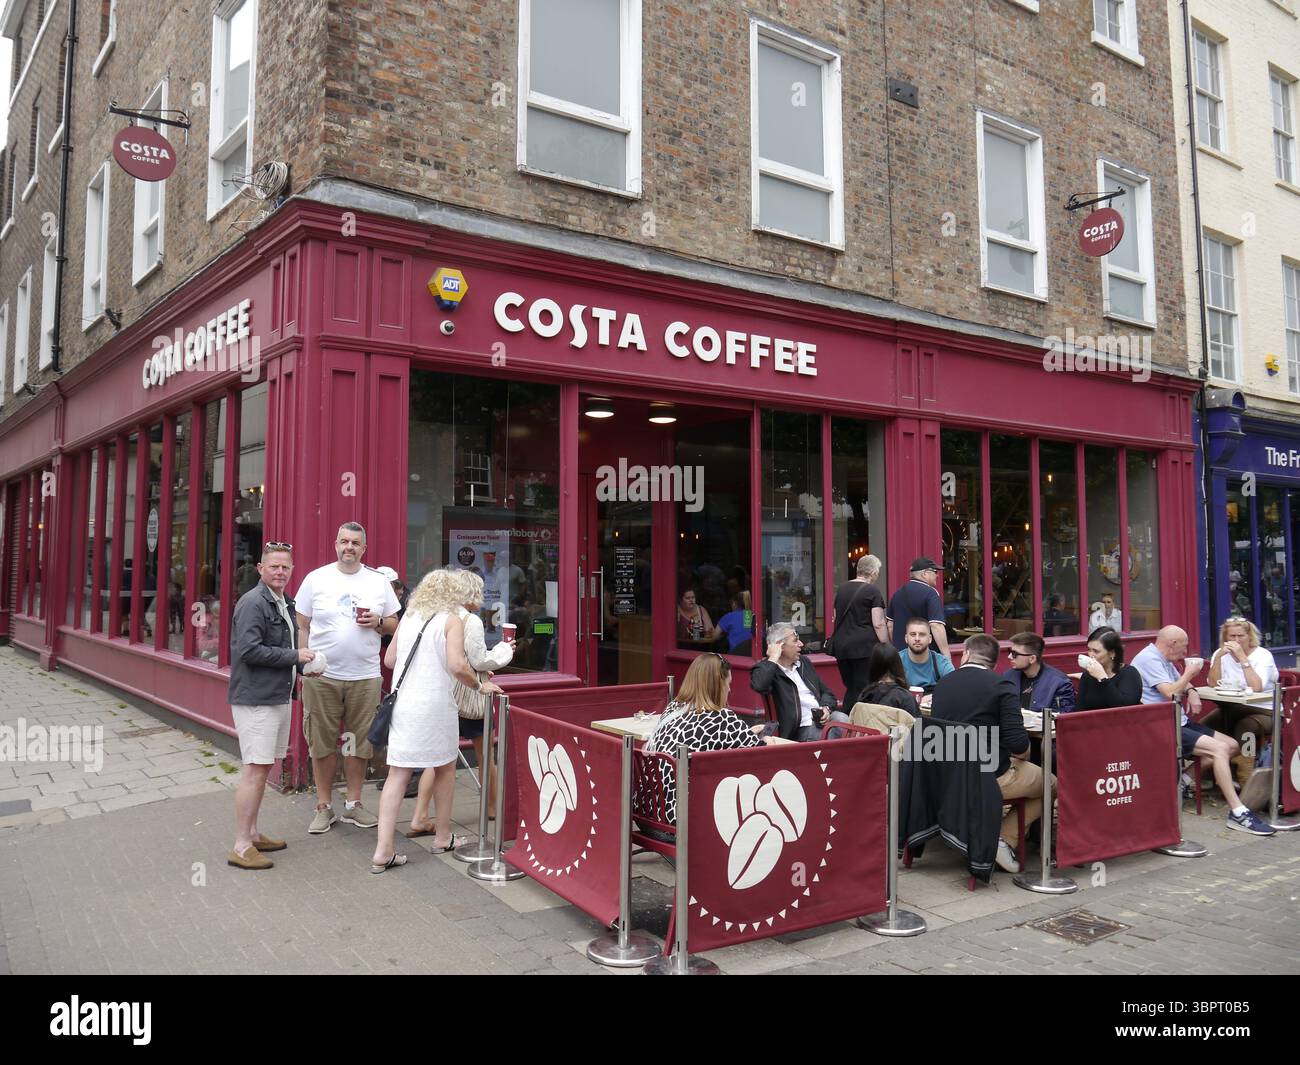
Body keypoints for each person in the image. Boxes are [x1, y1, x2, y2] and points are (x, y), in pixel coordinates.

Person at [371, 570, 504, 870]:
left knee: (398, 774)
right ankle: (443, 837)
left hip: (403, 705)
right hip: (435, 705)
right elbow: (458, 666)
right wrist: (480, 685)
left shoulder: (408, 618)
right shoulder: (451, 620)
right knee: (445, 769)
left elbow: (390, 661)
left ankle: (383, 850)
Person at [295, 522, 402, 834]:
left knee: (359, 743)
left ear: (364, 549)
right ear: (335, 544)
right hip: (322, 675)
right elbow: (303, 625)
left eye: (355, 543)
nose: (349, 547)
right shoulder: (316, 579)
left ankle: (354, 804)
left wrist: (379, 621)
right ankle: (323, 807)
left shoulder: (378, 581)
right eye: (344, 541)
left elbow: (395, 624)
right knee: (322, 743)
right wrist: (303, 665)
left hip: (365, 676)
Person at [1131, 626, 1274, 836]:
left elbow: (1179, 683)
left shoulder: (1164, 658)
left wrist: (1192, 690)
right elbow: (1170, 692)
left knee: (1233, 745)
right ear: (1172, 644)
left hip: (1181, 720)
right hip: (1162, 724)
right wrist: (1190, 672)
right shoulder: (1149, 659)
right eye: (1184, 645)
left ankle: (1181, 784)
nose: (1186, 651)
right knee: (1220, 750)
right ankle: (1238, 812)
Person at [226, 542, 316, 870]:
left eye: (286, 567)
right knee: (254, 770)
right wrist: (296, 657)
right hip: (256, 699)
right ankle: (240, 844)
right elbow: (248, 650)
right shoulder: (253, 602)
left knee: (263, 768)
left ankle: (252, 833)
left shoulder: (283, 602)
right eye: (274, 566)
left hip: (277, 696)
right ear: (261, 569)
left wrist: (304, 666)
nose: (280, 572)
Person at [929, 634, 1050, 873]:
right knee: (1051, 783)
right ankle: (1003, 839)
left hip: (943, 774)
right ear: (994, 665)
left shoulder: (943, 684)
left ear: (965, 654)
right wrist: (1022, 754)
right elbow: (1018, 744)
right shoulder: (1002, 686)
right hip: (986, 776)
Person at [407, 569, 515, 836]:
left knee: (437, 758)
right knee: (485, 754)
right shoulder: (471, 621)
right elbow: (478, 660)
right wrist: (505, 651)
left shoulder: (437, 616)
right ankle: (492, 807)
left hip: (443, 694)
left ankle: (420, 814)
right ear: (472, 593)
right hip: (469, 694)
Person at [639, 654, 776, 839]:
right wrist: (768, 740)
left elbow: (708, 738)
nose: (729, 690)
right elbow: (766, 755)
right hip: (676, 821)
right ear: (718, 684)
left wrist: (747, 733)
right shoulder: (721, 717)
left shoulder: (675, 707)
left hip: (646, 813)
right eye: (728, 684)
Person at [750, 622, 847, 741]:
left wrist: (826, 708)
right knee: (830, 734)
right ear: (780, 646)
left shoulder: (804, 663)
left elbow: (827, 693)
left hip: (819, 720)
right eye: (795, 640)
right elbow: (760, 685)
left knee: (843, 720)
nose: (801, 644)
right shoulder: (766, 669)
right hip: (797, 730)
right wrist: (774, 658)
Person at [829, 554, 888, 701]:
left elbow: (835, 617)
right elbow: (878, 623)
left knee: (851, 687)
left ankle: (848, 718)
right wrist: (886, 645)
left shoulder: (841, 589)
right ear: (873, 573)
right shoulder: (872, 591)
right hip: (864, 648)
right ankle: (859, 720)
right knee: (865, 688)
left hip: (842, 647)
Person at [887, 557, 949, 657]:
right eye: (935, 572)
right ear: (924, 574)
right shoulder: (931, 593)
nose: (937, 575)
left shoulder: (897, 594)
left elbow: (890, 626)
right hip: (924, 656)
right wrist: (947, 657)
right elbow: (936, 626)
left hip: (901, 656)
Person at [1006, 632, 1076, 713]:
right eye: (1010, 651)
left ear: (1032, 659)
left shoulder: (1059, 683)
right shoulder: (1009, 676)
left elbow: (1062, 718)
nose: (1009, 656)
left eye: (1015, 654)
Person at [1076, 626, 1142, 710]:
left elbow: (1125, 708)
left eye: (1096, 651)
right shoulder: (1088, 675)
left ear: (1112, 653)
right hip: (1093, 722)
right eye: (1089, 650)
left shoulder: (1129, 673)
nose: (1090, 655)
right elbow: (1079, 709)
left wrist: (1103, 679)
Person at [851, 643, 919, 715]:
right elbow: (918, 725)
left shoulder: (864, 695)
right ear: (898, 665)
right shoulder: (905, 697)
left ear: (873, 666)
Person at [901, 617, 954, 691]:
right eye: (913, 634)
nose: (917, 639)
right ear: (906, 638)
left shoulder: (941, 662)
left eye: (922, 635)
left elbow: (954, 687)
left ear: (930, 639)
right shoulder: (896, 660)